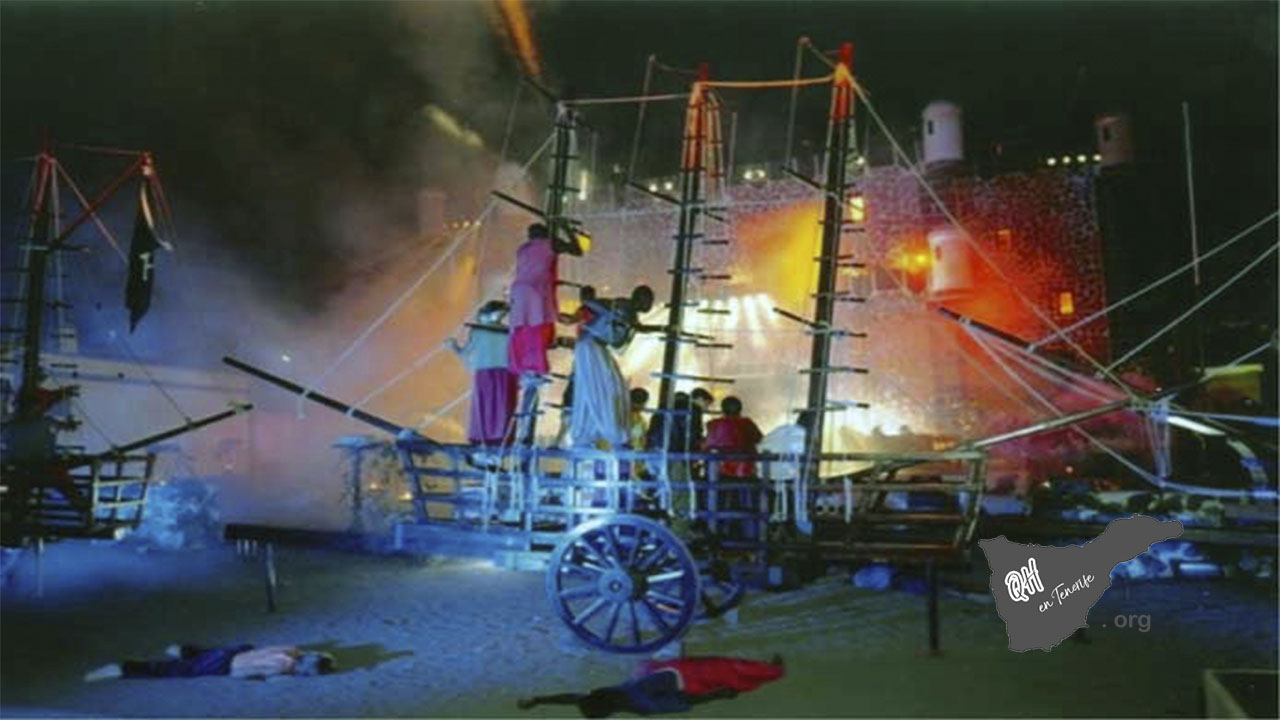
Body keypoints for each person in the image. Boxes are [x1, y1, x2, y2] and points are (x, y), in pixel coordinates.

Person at [517, 655, 784, 718]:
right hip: (691, 681)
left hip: (668, 669)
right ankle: (773, 672)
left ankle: (767, 672)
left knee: (730, 669)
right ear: (611, 703)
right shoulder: (643, 705)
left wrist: (538, 699)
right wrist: (717, 696)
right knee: (729, 672)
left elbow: (571, 698)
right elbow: (686, 703)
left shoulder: (610, 696)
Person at [567, 285, 655, 450]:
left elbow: (637, 327)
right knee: (603, 389)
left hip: (596, 348)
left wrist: (662, 329)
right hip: (590, 346)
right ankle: (609, 433)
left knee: (612, 388)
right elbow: (591, 303)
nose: (650, 305)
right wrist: (575, 315)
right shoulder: (619, 305)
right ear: (639, 298)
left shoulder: (629, 312)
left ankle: (600, 433)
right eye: (648, 300)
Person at [507, 222, 582, 378]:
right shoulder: (550, 244)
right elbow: (577, 250)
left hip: (518, 290)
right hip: (536, 291)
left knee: (520, 329)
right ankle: (536, 367)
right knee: (537, 329)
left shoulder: (523, 248)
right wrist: (566, 229)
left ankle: (521, 365)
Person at [446, 300, 516, 446]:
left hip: (501, 372)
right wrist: (453, 346)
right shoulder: (487, 330)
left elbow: (465, 352)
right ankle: (489, 437)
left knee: (496, 404)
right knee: (492, 404)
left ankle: (496, 438)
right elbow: (466, 351)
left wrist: (454, 347)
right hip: (495, 371)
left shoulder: (505, 331)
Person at [83, 644, 334, 681]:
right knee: (175, 671)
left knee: (206, 654)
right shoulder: (284, 667)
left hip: (230, 652)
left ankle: (184, 649)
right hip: (225, 666)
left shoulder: (291, 650)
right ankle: (122, 669)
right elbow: (242, 676)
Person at [704, 396, 764, 537]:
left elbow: (708, 446)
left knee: (720, 503)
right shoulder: (747, 423)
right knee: (748, 504)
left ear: (722, 410)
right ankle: (750, 536)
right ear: (740, 409)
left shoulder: (714, 424)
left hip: (721, 471)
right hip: (746, 471)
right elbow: (759, 438)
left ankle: (718, 534)